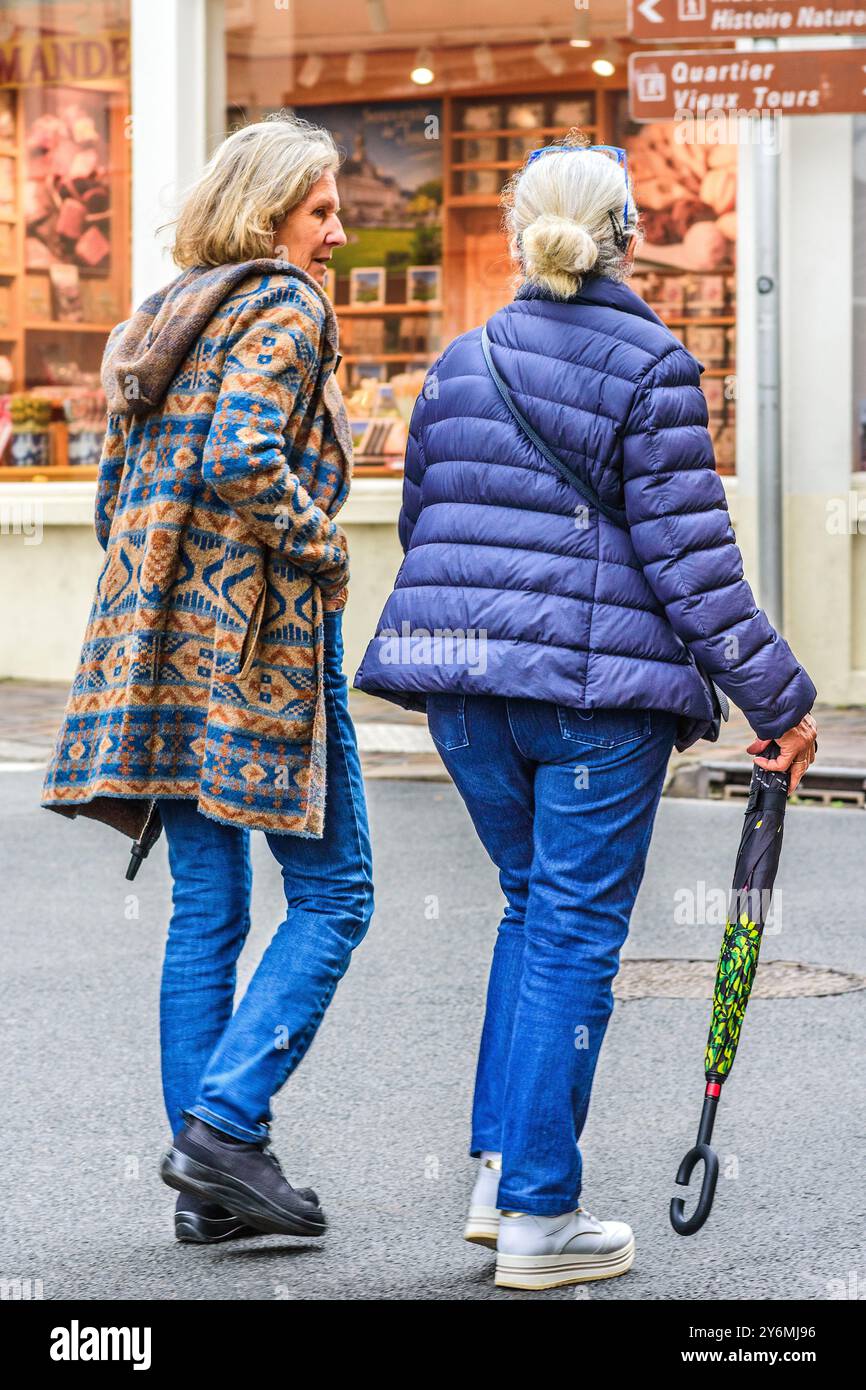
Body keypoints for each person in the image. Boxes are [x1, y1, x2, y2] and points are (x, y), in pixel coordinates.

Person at [354, 134, 818, 1291]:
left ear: (520, 232)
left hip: (461, 692)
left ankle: (502, 1172)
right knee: (570, 931)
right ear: (625, 239)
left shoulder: (457, 361)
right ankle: (536, 1218)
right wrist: (781, 700)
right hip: (591, 702)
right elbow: (691, 565)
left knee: (531, 914)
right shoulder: (652, 365)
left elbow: (428, 531)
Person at [40, 113, 374, 1244]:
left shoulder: (157, 316)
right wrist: (324, 548)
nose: (336, 231)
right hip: (260, 649)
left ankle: (209, 1191)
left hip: (154, 659)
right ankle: (225, 1127)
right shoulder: (282, 302)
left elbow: (107, 507)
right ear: (266, 210)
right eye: (319, 209)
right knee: (337, 893)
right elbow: (243, 457)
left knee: (210, 907)